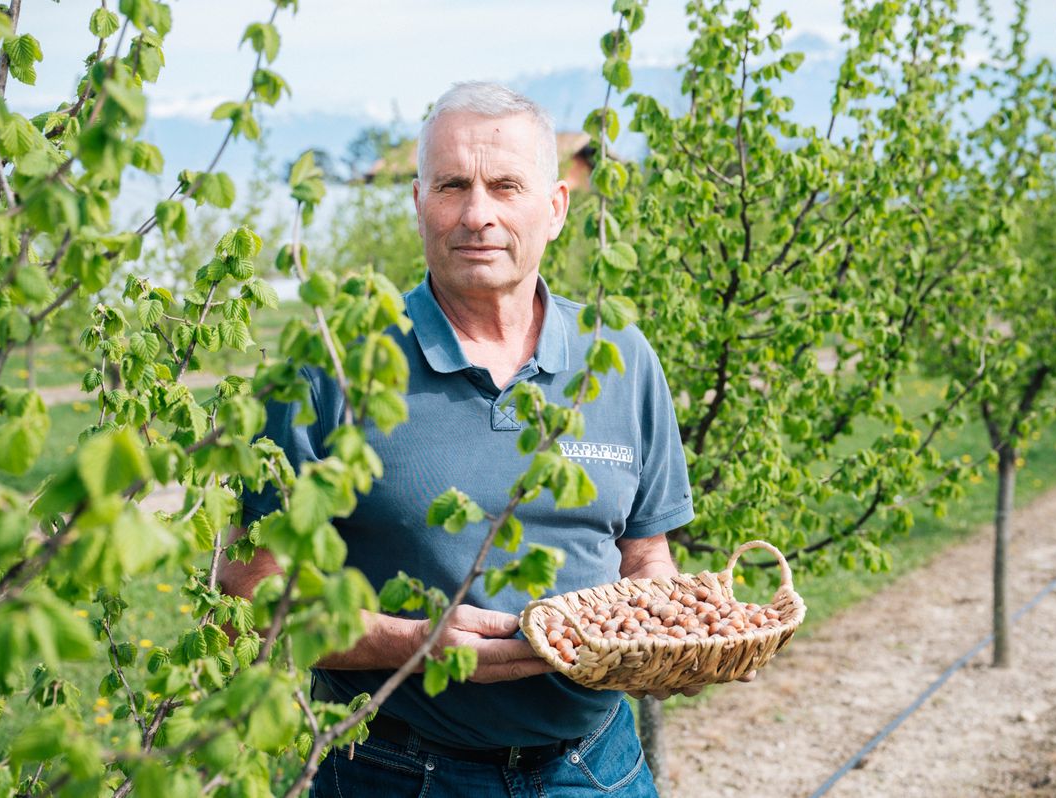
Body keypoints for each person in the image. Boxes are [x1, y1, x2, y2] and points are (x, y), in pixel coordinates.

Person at [220, 81, 713, 797]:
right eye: (453, 185)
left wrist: (664, 638)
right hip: (398, 772)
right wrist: (415, 643)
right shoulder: (330, 367)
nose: (478, 214)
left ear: (555, 208)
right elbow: (245, 600)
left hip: (599, 769)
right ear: (418, 202)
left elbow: (646, 558)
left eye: (506, 185)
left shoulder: (621, 358)